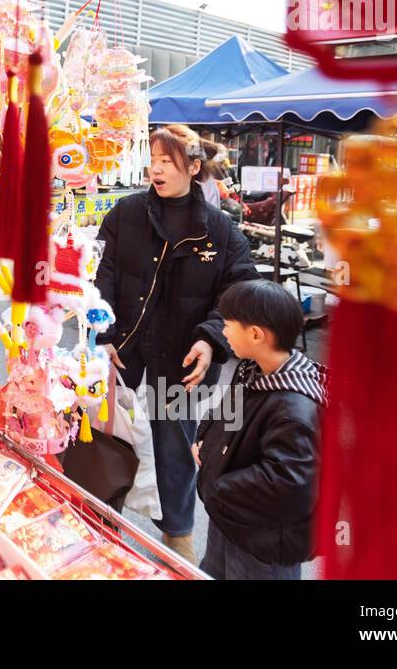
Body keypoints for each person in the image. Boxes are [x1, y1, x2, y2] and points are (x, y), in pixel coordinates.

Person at [85, 123, 259, 563]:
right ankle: (99, 523)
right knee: (109, 434)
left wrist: (211, 339)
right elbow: (99, 274)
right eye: (154, 159)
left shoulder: (221, 232)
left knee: (174, 446)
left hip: (183, 357)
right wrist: (101, 333)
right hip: (122, 349)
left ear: (193, 168)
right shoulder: (124, 214)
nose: (156, 169)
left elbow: (238, 294)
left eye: (168, 161)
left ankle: (177, 540)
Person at [194, 279, 326, 579]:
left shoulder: (293, 408)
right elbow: (227, 411)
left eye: (228, 325)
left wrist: (217, 484)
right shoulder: (253, 369)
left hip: (263, 540)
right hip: (231, 518)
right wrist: (204, 438)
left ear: (255, 334)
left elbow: (288, 486)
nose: (223, 331)